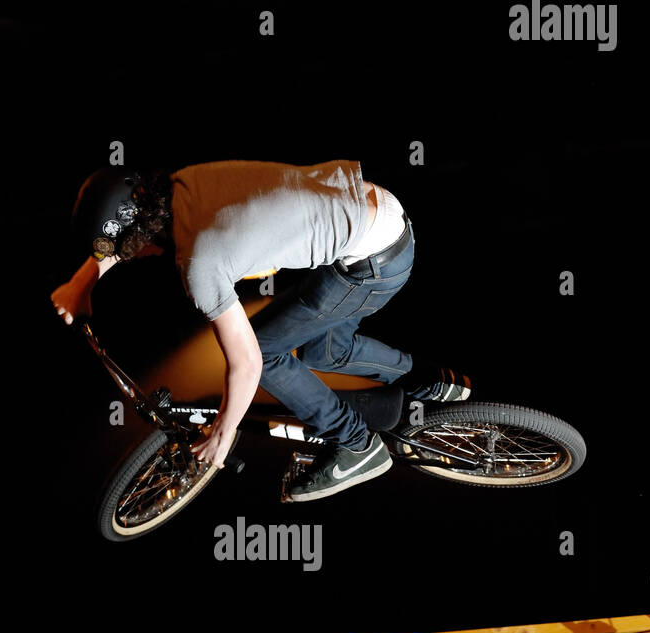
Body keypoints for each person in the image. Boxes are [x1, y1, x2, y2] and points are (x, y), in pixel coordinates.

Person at [50, 160, 470, 502]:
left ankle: (357, 446)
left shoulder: (201, 266)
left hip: (372, 265)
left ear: (138, 237)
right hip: (381, 224)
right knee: (324, 351)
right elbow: (127, 230)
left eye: (125, 251)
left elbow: (247, 363)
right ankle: (428, 380)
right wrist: (82, 283)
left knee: (265, 352)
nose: (132, 258)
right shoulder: (181, 184)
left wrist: (223, 433)